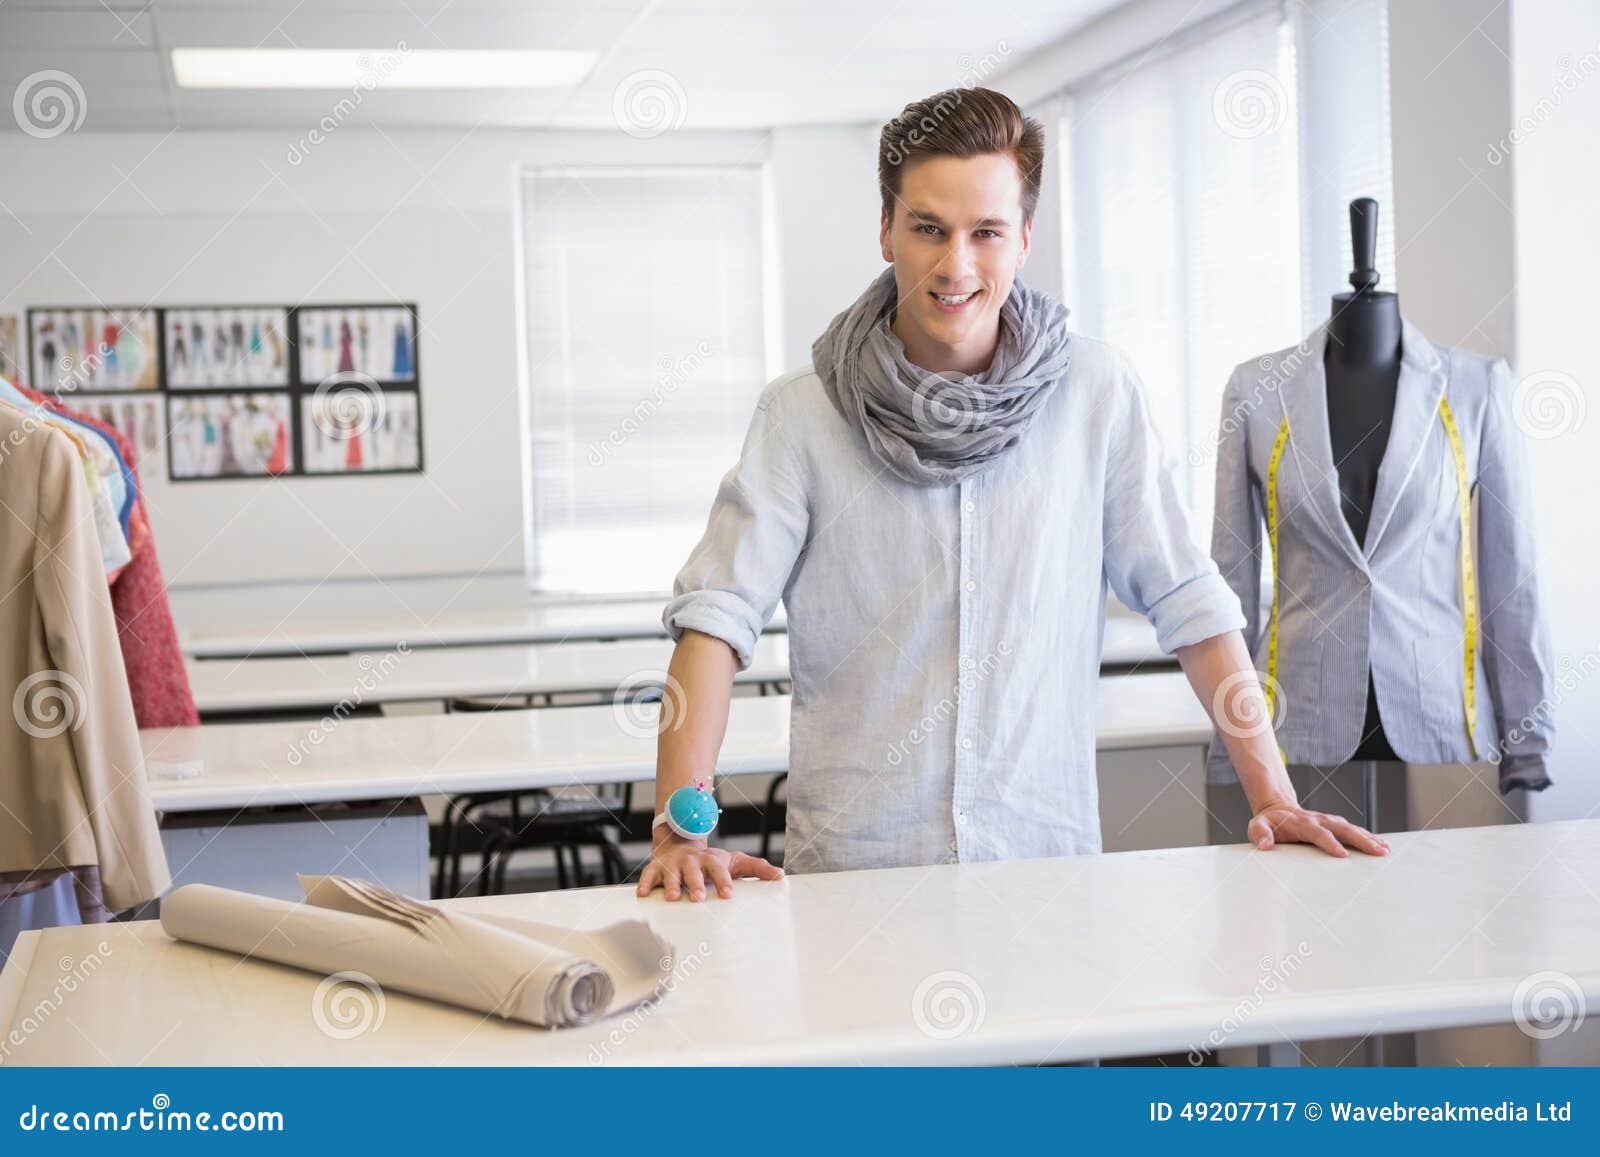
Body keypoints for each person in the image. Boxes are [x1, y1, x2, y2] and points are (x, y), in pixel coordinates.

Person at [639, 87, 1388, 904]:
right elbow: (715, 620)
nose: (955, 264)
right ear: (885, 230)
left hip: (1045, 869)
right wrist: (683, 829)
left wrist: (1273, 796)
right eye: (928, 227)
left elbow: (1190, 602)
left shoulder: (1096, 393)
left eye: (985, 232)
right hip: (857, 882)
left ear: (1024, 238)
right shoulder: (800, 415)